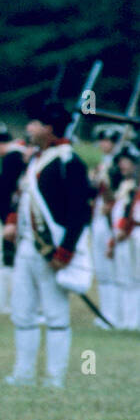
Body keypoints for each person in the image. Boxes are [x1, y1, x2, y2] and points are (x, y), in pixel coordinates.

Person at [4, 102, 92, 388]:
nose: (29, 128)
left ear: (49, 128)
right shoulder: (36, 160)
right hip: (28, 246)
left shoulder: (69, 162)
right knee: (22, 312)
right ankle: (23, 373)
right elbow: (25, 195)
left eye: (34, 123)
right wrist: (13, 221)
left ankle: (55, 377)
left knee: (55, 315)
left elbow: (79, 211)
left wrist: (65, 251)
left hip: (52, 249)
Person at [0, 124, 30, 317]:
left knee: (4, 260)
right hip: (10, 215)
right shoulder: (18, 155)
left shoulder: (11, 158)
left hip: (9, 216)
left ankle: (4, 303)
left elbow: (4, 187)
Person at [88, 124, 124, 327]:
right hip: (98, 217)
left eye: (109, 141)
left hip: (113, 219)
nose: (104, 144)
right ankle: (105, 312)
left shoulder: (121, 166)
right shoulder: (100, 165)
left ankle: (115, 314)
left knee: (113, 269)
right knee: (101, 270)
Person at [109, 147, 139, 330]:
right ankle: (126, 319)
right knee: (125, 279)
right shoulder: (126, 185)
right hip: (125, 235)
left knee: (135, 280)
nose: (122, 164)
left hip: (133, 233)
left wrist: (124, 229)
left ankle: (133, 321)